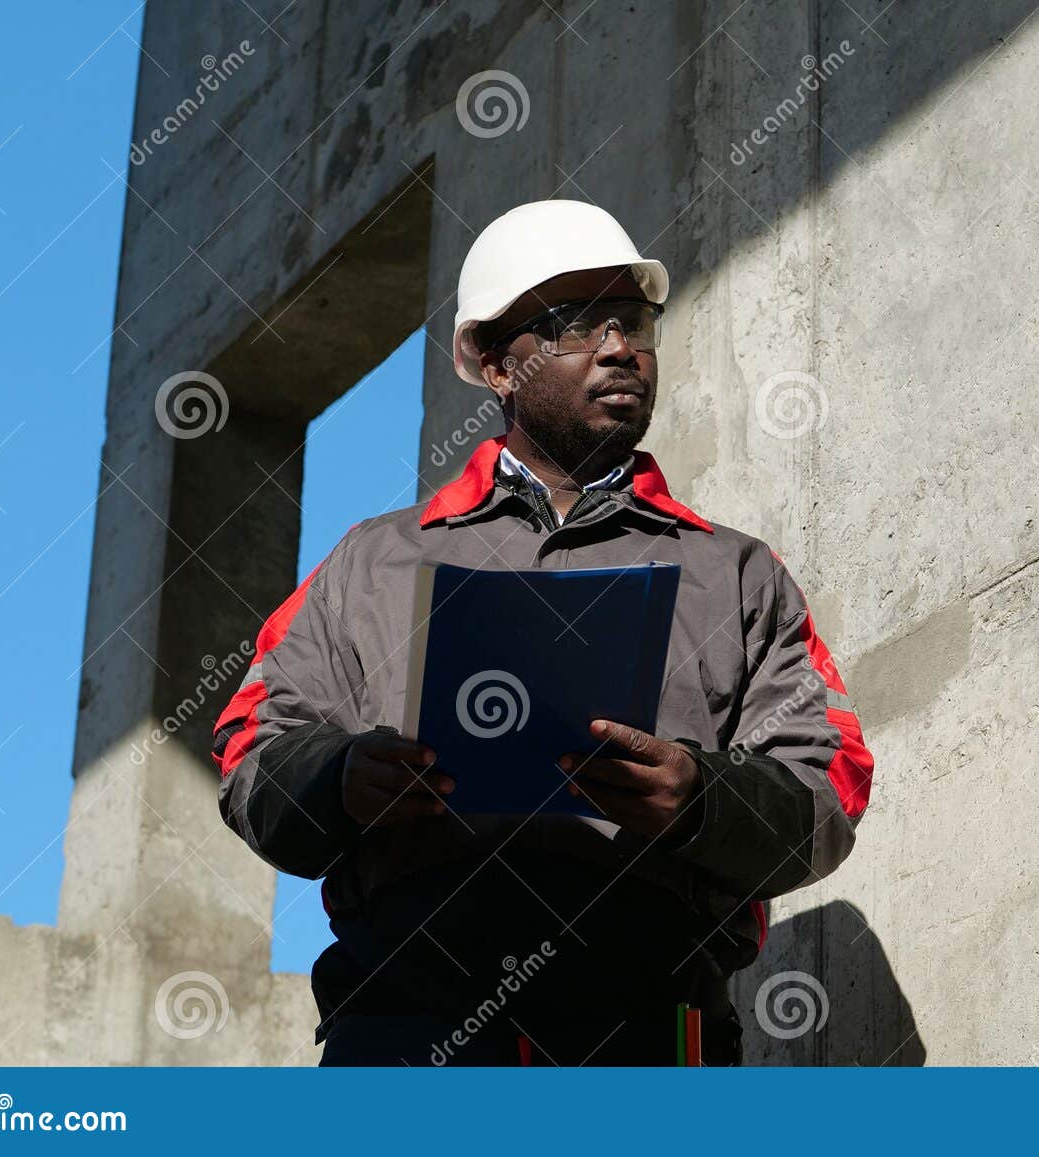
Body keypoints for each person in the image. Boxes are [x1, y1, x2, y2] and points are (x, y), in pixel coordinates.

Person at [212, 200, 876, 1066]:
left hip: (648, 1043)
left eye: (632, 320)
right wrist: (340, 777)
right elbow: (248, 749)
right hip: (408, 1038)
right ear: (496, 365)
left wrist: (700, 796)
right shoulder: (372, 564)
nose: (617, 347)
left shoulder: (737, 575)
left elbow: (830, 786)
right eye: (574, 324)